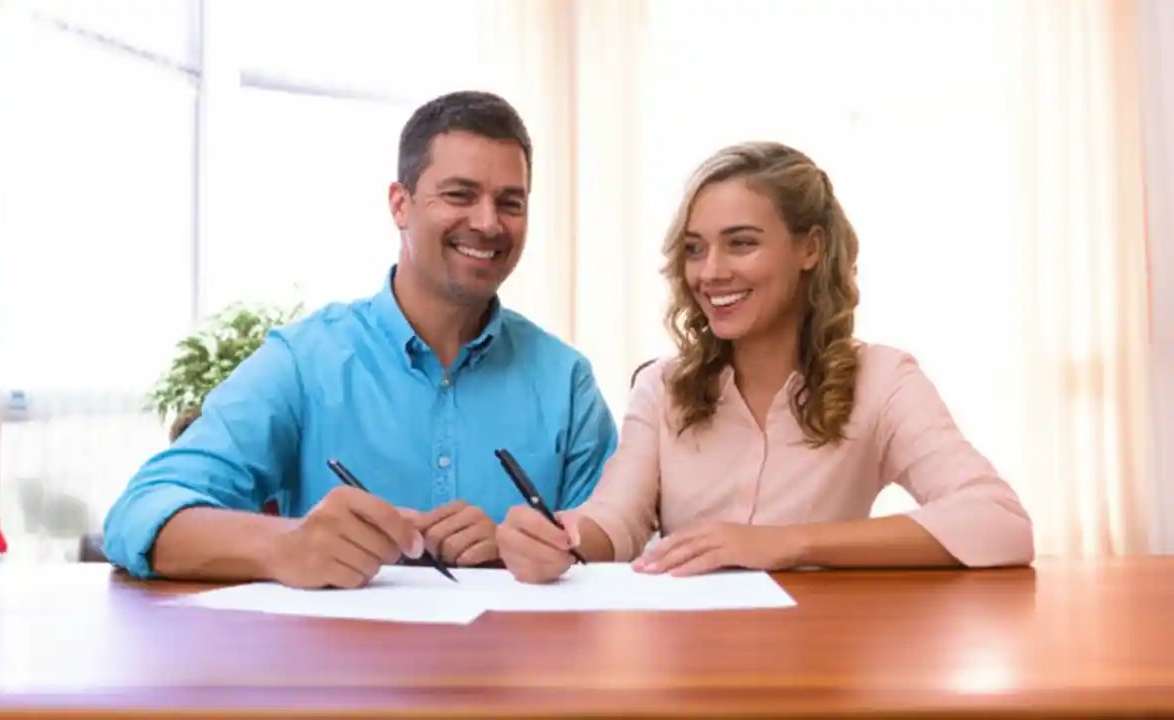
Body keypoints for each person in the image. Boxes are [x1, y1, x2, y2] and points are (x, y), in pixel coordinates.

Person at [103, 91, 618, 589]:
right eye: (459, 194)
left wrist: (533, 554)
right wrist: (286, 546)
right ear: (400, 204)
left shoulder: (566, 383)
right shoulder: (303, 363)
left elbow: (613, 549)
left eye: (511, 202)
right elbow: (139, 514)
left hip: (526, 670)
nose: (487, 223)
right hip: (336, 674)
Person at [496, 141, 1034, 582]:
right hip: (692, 667)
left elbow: (999, 522)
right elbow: (616, 517)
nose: (711, 273)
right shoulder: (662, 387)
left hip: (820, 660)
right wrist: (561, 539)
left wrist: (781, 544)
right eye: (695, 249)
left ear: (811, 249)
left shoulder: (883, 381)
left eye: (741, 244)